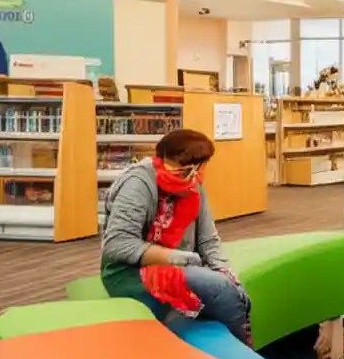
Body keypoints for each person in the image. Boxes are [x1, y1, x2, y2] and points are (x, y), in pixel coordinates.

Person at [100, 129, 251, 343]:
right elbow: (117, 244)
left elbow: (208, 241)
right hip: (131, 273)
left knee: (228, 286)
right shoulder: (138, 183)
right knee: (217, 287)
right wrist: (173, 258)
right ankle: (244, 347)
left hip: (180, 266)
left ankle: (234, 347)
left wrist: (225, 272)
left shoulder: (193, 187)